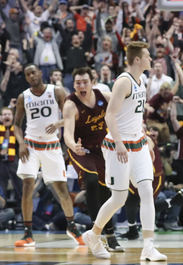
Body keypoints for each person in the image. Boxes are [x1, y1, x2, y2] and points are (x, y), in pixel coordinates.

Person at [82, 41, 166, 261]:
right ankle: (93, 235)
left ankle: (148, 247)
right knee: (118, 198)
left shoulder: (142, 80)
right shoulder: (123, 81)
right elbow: (110, 115)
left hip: (137, 144)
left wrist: (146, 138)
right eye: (148, 56)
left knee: (147, 192)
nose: (151, 59)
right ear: (137, 59)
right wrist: (119, 143)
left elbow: (136, 116)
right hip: (117, 147)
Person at [12, 64, 85, 247]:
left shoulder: (56, 91)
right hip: (30, 145)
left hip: (52, 146)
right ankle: (28, 234)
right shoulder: (23, 97)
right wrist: (21, 143)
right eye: (27, 74)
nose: (31, 76)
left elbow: (72, 115)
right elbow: (16, 125)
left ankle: (72, 226)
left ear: (40, 73)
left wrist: (59, 123)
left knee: (61, 189)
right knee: (27, 186)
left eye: (33, 72)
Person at [63, 67, 123, 252]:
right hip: (81, 150)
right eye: (78, 83)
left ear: (92, 82)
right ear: (74, 85)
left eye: (85, 82)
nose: (81, 86)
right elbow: (67, 133)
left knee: (106, 189)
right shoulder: (70, 104)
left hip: (103, 149)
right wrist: (73, 146)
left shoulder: (104, 96)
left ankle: (110, 234)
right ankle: (97, 235)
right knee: (91, 181)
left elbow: (124, 111)